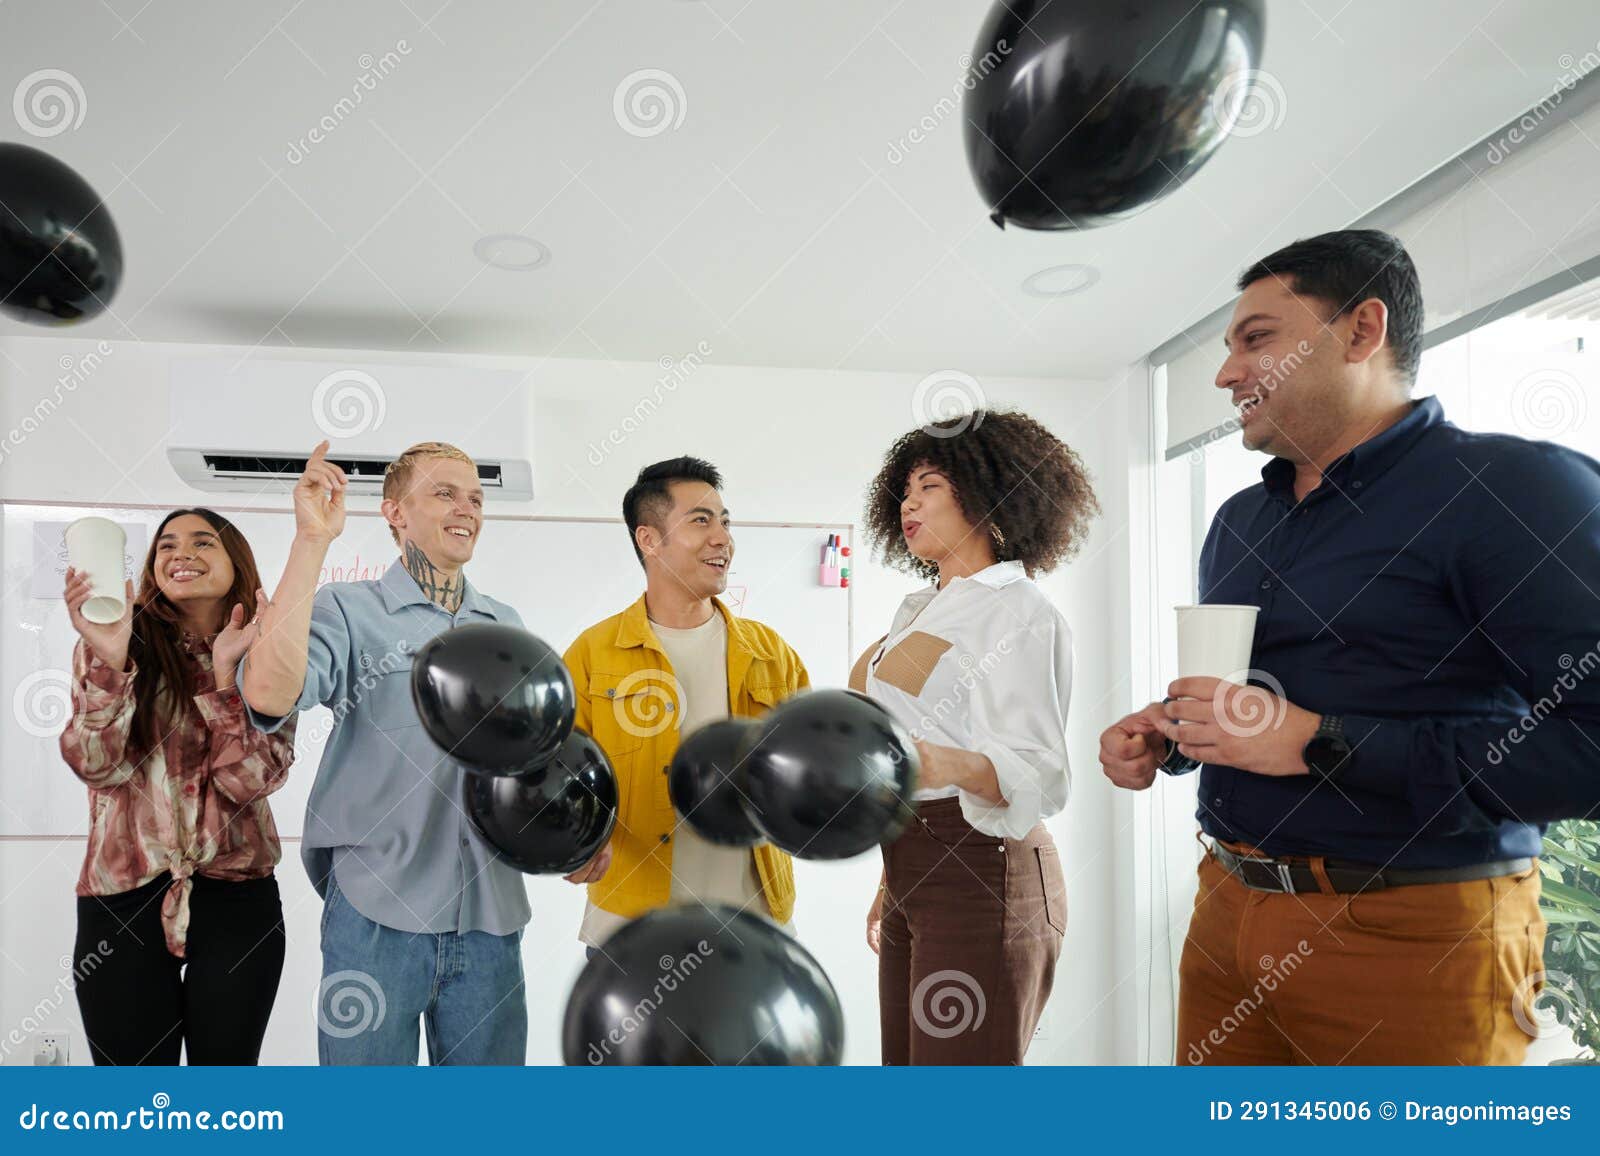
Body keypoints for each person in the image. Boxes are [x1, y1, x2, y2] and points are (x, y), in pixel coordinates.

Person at [1100, 228, 1600, 1064]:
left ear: (1363, 332)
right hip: (1224, 912)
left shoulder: (1518, 492)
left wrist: (1324, 744)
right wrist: (1175, 732)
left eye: (1256, 339)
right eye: (1227, 347)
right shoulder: (1238, 523)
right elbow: (1256, 703)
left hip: (1416, 940)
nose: (1225, 373)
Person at [241, 440, 557, 1065]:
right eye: (444, 492)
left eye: (474, 496)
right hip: (376, 918)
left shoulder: (506, 626)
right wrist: (312, 541)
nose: (466, 507)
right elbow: (270, 692)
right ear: (395, 513)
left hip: (491, 920)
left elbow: (535, 758)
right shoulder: (347, 610)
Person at [859, 410, 1098, 1064]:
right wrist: (892, 881)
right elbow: (917, 725)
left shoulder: (1016, 611)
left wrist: (940, 765)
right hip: (913, 869)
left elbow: (1038, 772)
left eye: (930, 484)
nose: (909, 501)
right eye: (904, 490)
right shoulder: (923, 612)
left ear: (989, 493)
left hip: (984, 870)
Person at [60, 508, 293, 1065]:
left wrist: (222, 678)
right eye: (166, 545)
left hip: (237, 900)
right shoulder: (113, 644)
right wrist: (110, 660)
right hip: (122, 899)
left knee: (223, 1099)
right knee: (134, 1105)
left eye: (201, 542)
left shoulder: (268, 654)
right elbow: (96, 766)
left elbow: (252, 778)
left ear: (235, 561)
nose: (180, 553)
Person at [563, 457, 809, 958]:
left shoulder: (770, 652)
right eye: (701, 520)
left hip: (752, 925)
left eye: (725, 520)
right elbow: (561, 777)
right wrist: (571, 845)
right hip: (629, 928)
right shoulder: (594, 652)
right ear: (649, 539)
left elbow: (807, 769)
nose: (722, 538)